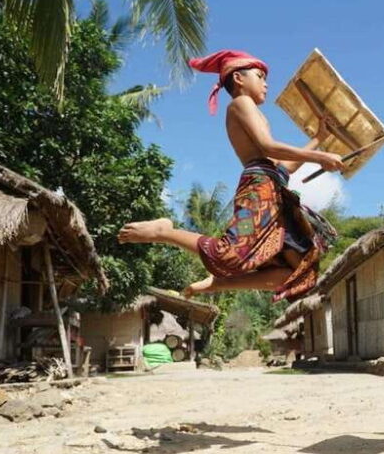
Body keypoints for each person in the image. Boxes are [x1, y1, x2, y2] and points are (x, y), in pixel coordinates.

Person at [118, 50, 344, 301]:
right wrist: (321, 158)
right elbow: (268, 146)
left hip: (274, 193)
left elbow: (284, 167)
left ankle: (217, 284)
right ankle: (164, 232)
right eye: (260, 76)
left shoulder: (255, 112)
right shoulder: (240, 103)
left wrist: (319, 139)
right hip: (257, 194)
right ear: (238, 78)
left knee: (298, 274)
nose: (266, 83)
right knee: (229, 253)